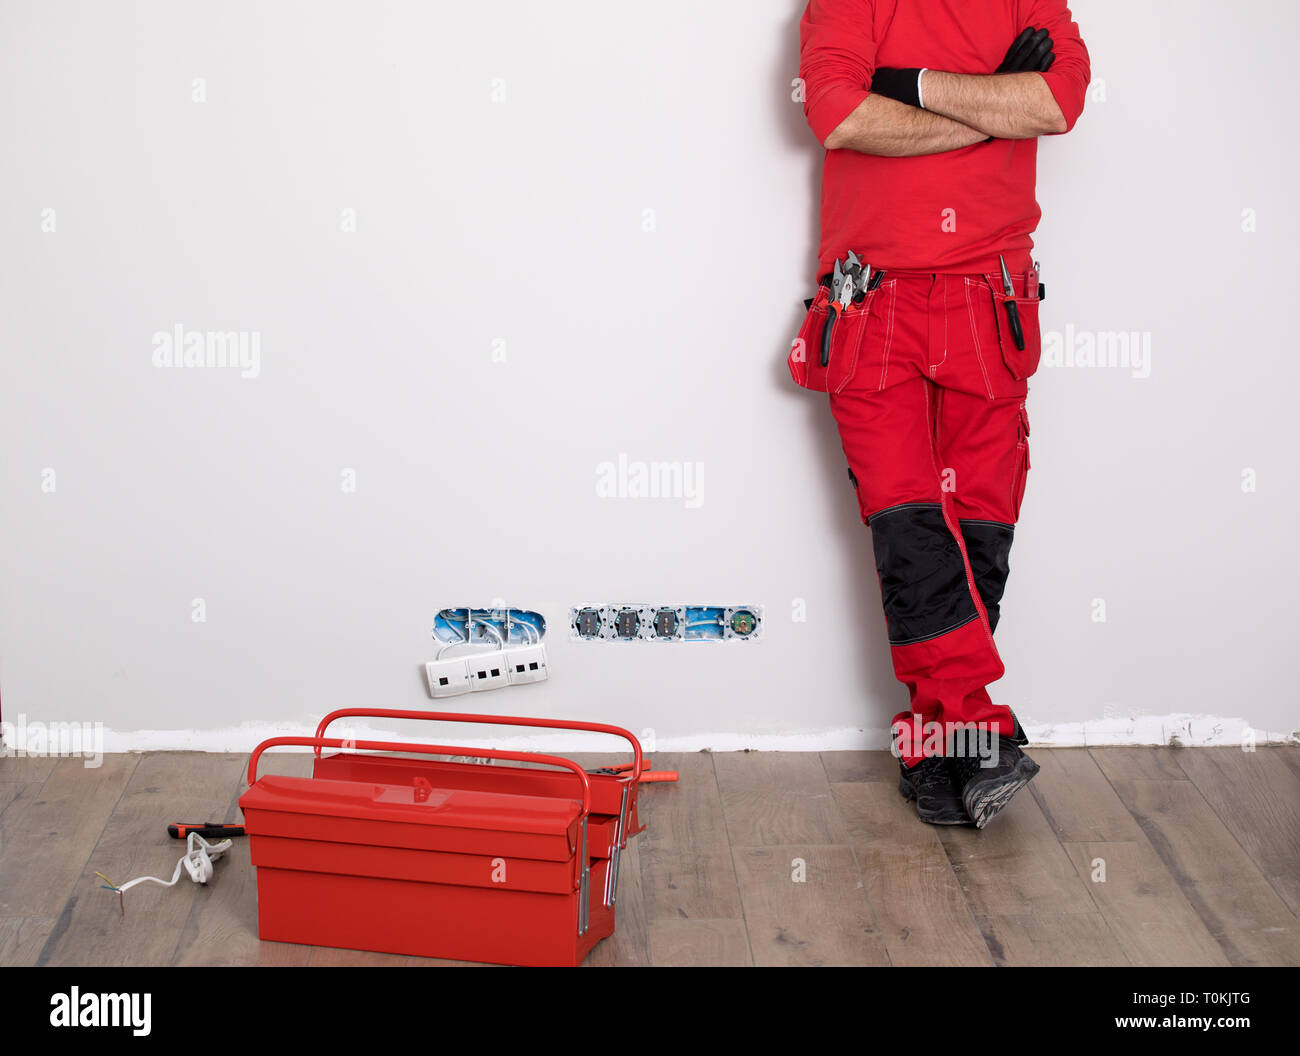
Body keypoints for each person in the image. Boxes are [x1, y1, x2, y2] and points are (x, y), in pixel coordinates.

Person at [793, 0, 1090, 827]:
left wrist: (915, 86)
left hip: (991, 298)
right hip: (871, 298)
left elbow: (1057, 104)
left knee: (980, 526)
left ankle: (937, 752)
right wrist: (993, 100)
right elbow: (840, 113)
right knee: (910, 525)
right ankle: (977, 730)